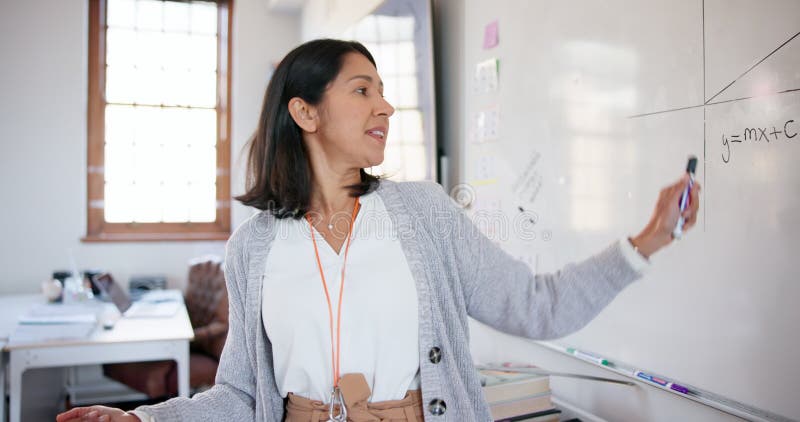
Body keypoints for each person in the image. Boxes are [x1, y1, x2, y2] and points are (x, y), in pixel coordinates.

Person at [57, 38, 700, 422]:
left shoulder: (423, 214)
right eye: (362, 90)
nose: (385, 106)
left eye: (385, 91)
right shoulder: (252, 246)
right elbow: (239, 392)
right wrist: (145, 420)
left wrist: (648, 240)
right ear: (304, 111)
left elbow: (537, 307)